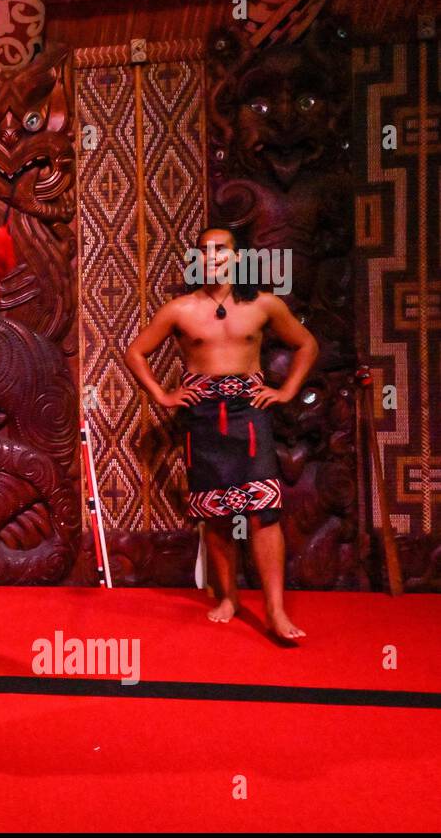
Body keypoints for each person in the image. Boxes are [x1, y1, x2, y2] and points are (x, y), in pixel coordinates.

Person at [124, 227, 317, 641]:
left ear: (237, 257)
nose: (212, 256)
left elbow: (307, 345)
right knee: (216, 515)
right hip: (203, 417)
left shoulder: (263, 305)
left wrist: (285, 391)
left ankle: (275, 610)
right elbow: (135, 352)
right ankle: (227, 596)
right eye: (204, 251)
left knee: (263, 512)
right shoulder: (180, 309)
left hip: (249, 414)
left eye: (221, 250)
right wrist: (163, 394)